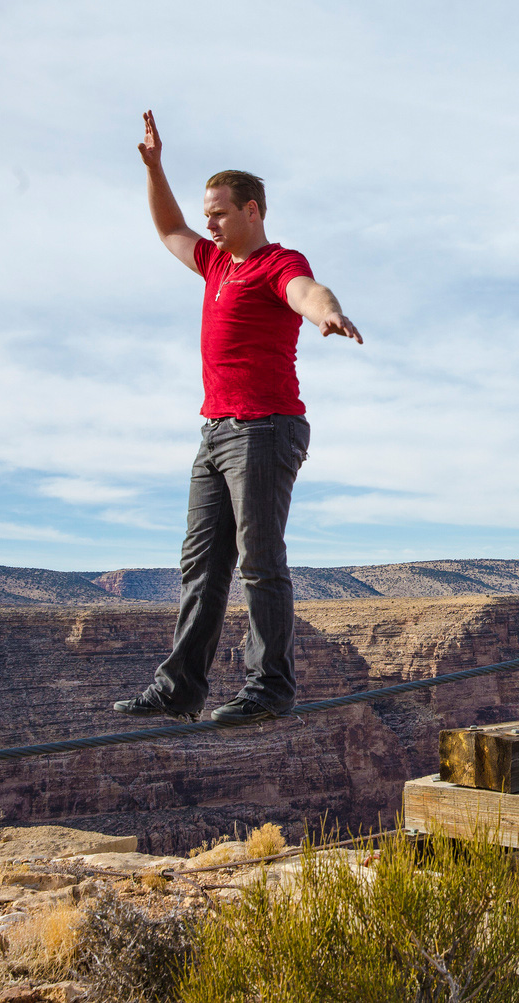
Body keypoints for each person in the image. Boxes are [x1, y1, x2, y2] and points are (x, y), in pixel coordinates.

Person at [113, 110, 362, 725]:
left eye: (220, 212)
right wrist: (154, 168)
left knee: (259, 559)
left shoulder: (277, 262)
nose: (210, 223)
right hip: (217, 429)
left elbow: (308, 290)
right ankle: (181, 690)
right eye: (209, 214)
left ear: (254, 210)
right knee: (201, 562)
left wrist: (326, 313)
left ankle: (269, 687)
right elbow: (169, 227)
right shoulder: (216, 263)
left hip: (264, 427)